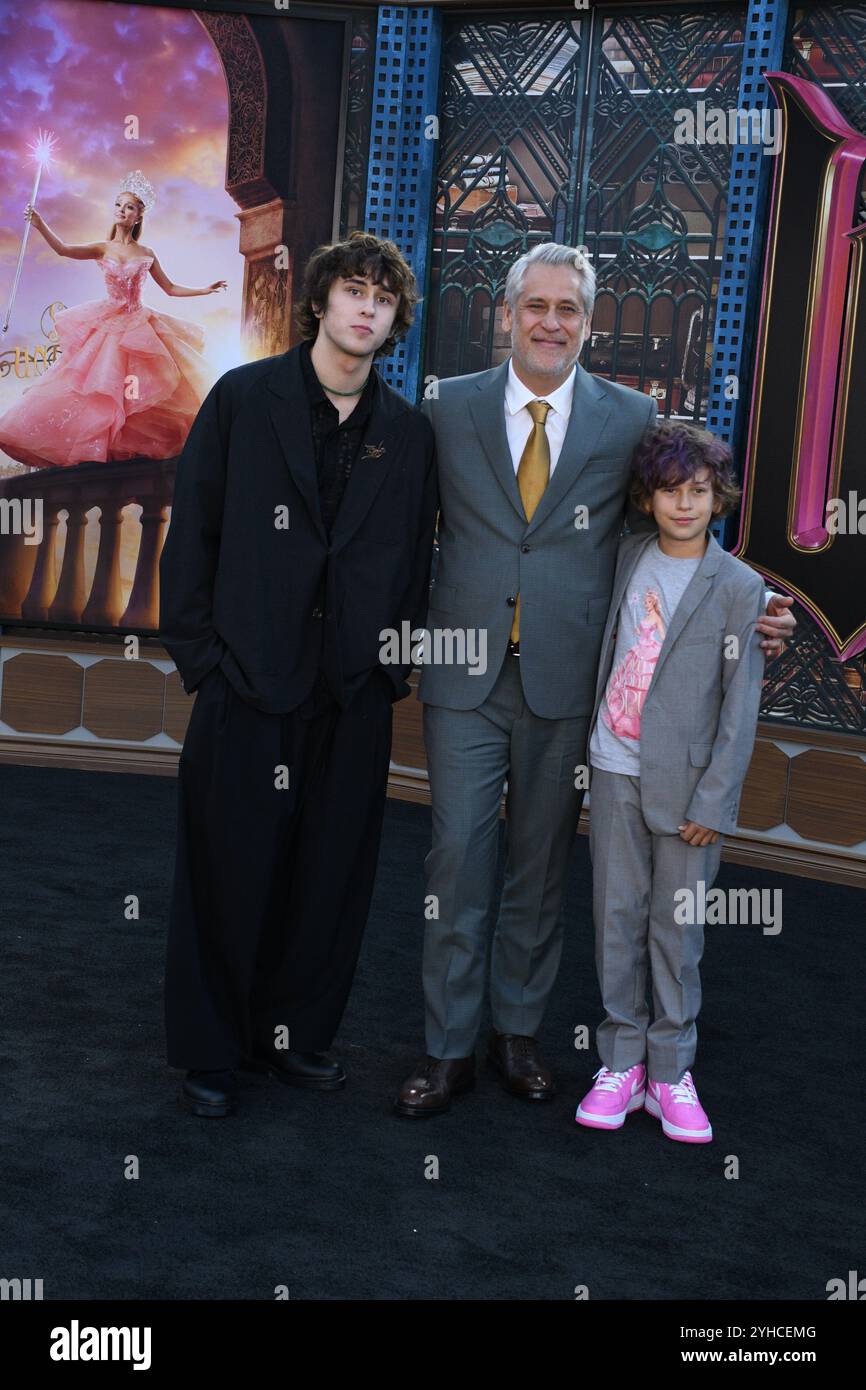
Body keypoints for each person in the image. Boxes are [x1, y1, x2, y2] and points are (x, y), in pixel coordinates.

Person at [394, 242, 795, 1118]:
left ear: (588, 320)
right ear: (508, 314)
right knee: (457, 857)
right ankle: (448, 1048)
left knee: (538, 867)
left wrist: (749, 605)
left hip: (569, 681)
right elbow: (399, 529)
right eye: (534, 305)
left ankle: (516, 1036)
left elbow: (674, 519)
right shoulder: (447, 407)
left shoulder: (627, 417)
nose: (549, 322)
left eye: (567, 308)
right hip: (464, 675)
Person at [159, 231, 438, 1118]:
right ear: (321, 301)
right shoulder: (245, 399)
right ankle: (212, 1049)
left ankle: (296, 1039)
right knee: (225, 868)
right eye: (353, 290)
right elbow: (191, 531)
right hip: (245, 680)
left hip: (350, 691)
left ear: (394, 320)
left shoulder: (409, 433)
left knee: (329, 878)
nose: (366, 308)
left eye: (383, 298)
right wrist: (203, 658)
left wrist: (390, 669)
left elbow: (413, 566)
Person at [576, 420, 766, 1143]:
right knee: (615, 918)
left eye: (698, 491)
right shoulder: (624, 559)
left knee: (676, 930)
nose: (683, 504)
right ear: (646, 498)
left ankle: (670, 1072)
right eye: (668, 490)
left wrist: (714, 800)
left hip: (690, 791)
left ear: (719, 498)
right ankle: (619, 1061)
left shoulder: (741, 587)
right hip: (613, 766)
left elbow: (740, 705)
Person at [0, 170, 223, 470]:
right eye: (119, 204)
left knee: (139, 392)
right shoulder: (102, 247)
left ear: (138, 217)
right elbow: (64, 250)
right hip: (107, 324)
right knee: (98, 386)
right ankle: (96, 451)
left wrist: (204, 290)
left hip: (138, 323)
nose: (122, 209)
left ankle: (129, 453)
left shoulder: (146, 253)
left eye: (129, 206)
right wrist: (40, 224)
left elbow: (169, 288)